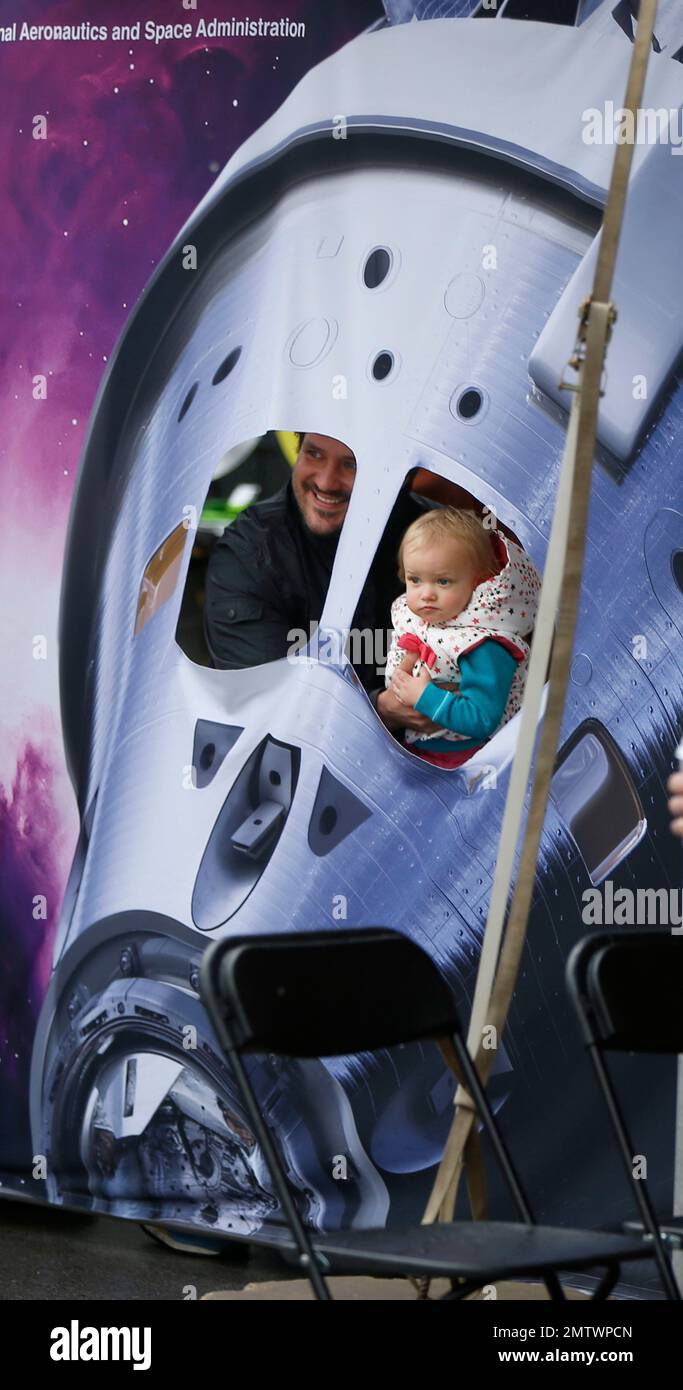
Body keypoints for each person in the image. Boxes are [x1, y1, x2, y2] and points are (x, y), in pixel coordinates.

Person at [204, 431, 443, 738]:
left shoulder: (438, 539)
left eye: (351, 464)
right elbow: (261, 705)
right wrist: (381, 710)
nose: (327, 482)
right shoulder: (250, 552)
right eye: (314, 454)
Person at [385, 508, 542, 768]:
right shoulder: (426, 622)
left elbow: (482, 718)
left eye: (443, 581)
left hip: (466, 757)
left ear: (477, 582)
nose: (426, 594)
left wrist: (424, 696)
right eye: (415, 579)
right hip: (419, 747)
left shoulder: (483, 644)